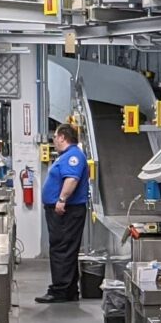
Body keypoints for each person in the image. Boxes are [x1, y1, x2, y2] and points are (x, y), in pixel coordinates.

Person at [35, 118, 90, 303]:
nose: (54, 142)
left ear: (62, 137)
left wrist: (61, 199)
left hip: (66, 211)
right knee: (66, 249)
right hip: (65, 210)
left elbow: (71, 179)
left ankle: (59, 290)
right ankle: (69, 290)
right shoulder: (68, 155)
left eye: (55, 138)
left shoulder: (73, 156)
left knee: (61, 249)